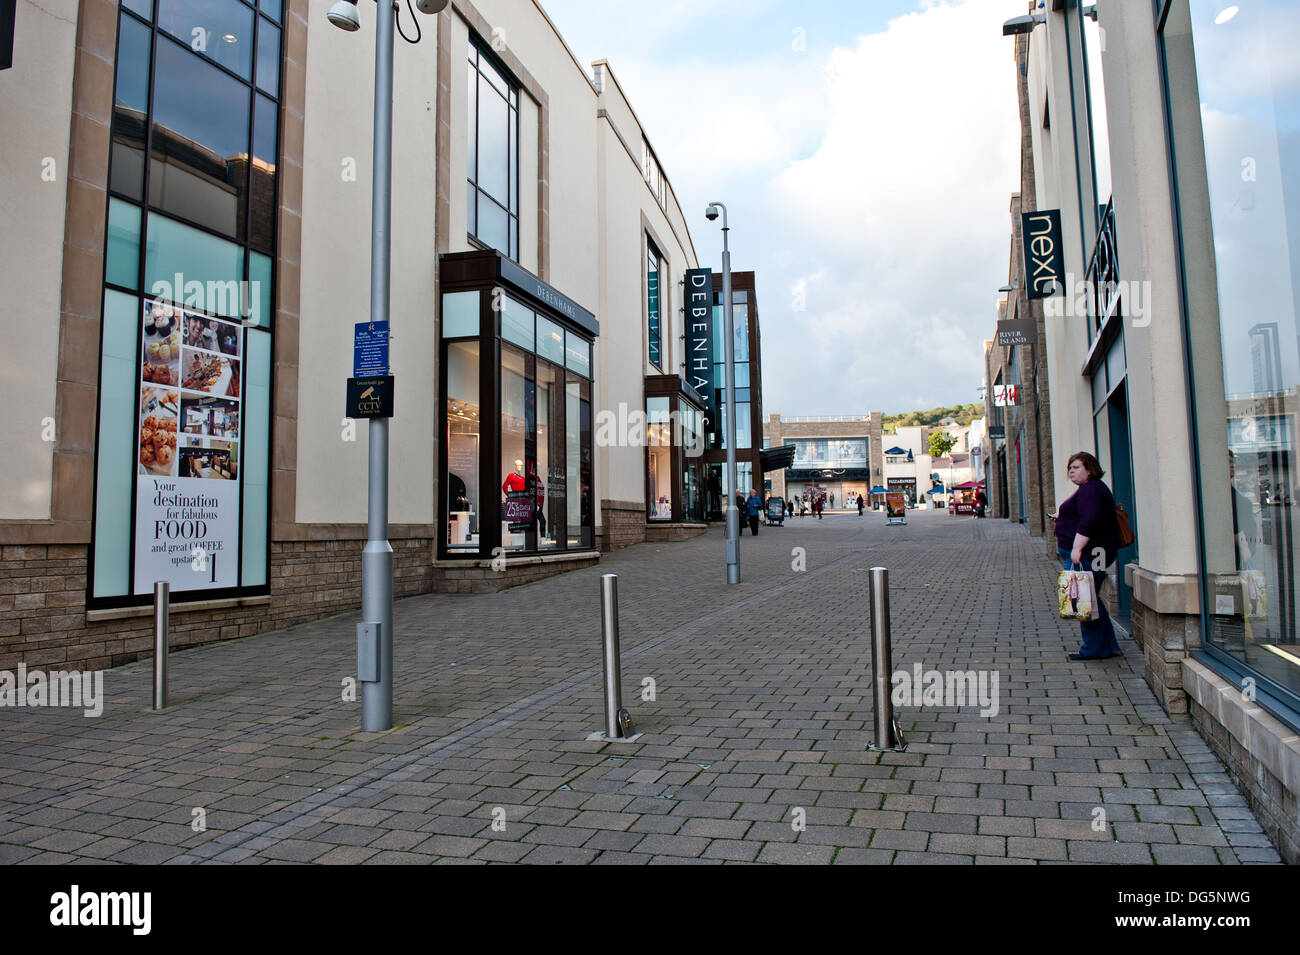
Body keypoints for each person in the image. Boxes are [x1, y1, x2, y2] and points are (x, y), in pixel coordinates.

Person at [1049, 451, 1121, 661]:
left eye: (1077, 467)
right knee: (1091, 599)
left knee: (1083, 600)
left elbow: (1089, 521)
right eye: (1070, 468)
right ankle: (1106, 645)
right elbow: (1084, 514)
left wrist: (1076, 549)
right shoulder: (1091, 489)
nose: (1071, 471)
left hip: (1089, 553)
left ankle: (1093, 648)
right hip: (1093, 553)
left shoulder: (1091, 490)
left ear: (1090, 469)